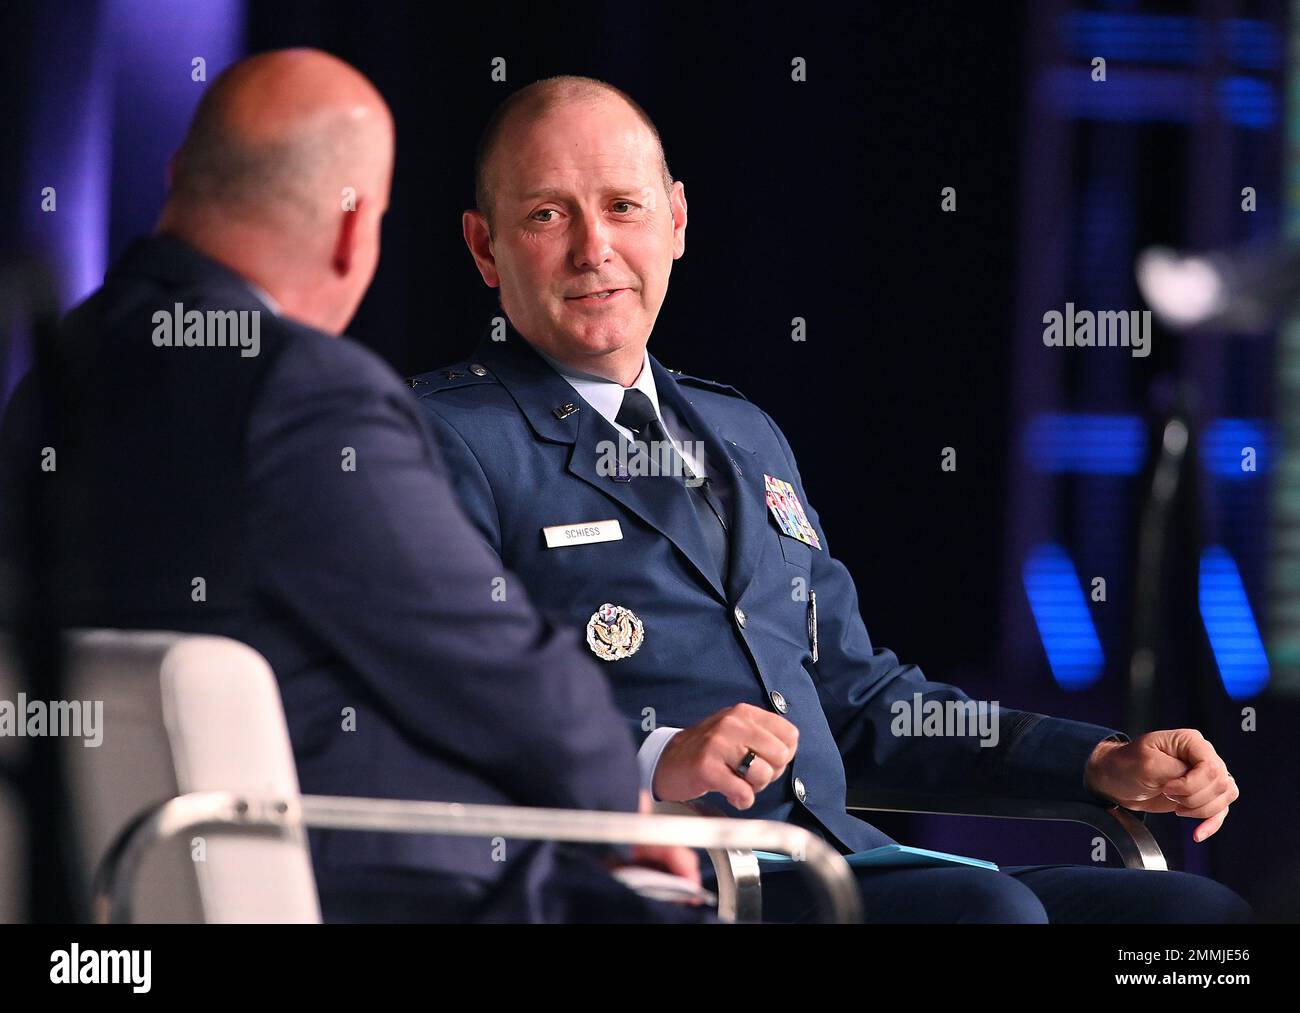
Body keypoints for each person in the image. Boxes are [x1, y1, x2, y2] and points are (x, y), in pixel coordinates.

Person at [409, 75, 1252, 922]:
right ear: (485, 248)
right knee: (987, 913)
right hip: (663, 887)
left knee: (1192, 922)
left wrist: (1094, 760)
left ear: (676, 221)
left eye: (623, 206)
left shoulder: (743, 433)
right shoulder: (446, 440)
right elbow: (429, 700)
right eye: (547, 215)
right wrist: (654, 756)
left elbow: (859, 702)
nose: (594, 247)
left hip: (841, 866)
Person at [0, 52, 706, 923]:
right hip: (390, 882)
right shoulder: (300, 392)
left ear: (180, 177)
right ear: (350, 232)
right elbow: (479, 657)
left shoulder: (57, 374)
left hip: (115, 883)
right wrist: (617, 798)